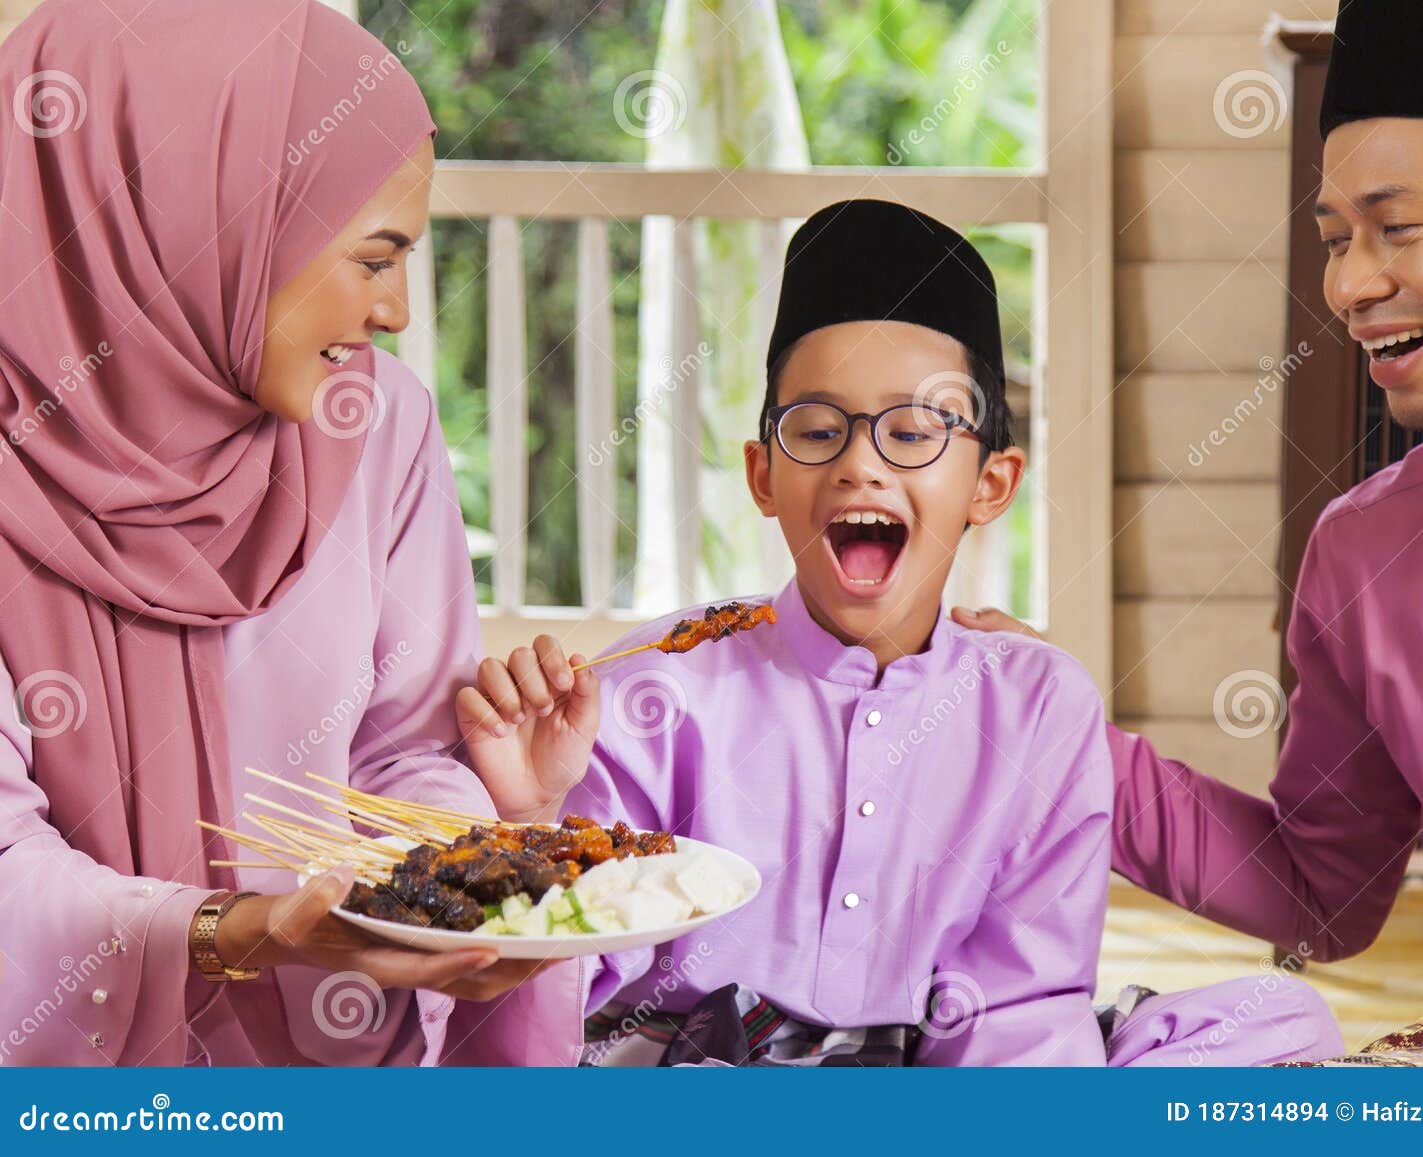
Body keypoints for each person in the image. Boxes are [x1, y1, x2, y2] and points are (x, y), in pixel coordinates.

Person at [456, 199, 1343, 1066]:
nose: (859, 463)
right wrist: (532, 820)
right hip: (700, 1079)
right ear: (764, 475)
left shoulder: (1039, 703)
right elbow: (557, 1011)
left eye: (913, 431)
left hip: (941, 1086)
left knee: (1283, 1016)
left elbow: (1022, 1006)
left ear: (991, 484)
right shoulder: (655, 688)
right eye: (816, 428)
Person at [956, 0, 1423, 1067]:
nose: (1349, 284)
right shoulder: (1366, 548)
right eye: (1335, 239)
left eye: (1396, 228)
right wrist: (1060, 732)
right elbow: (1321, 889)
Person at [0, 0, 579, 1066]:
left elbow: (404, 749)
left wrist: (471, 853)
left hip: (342, 1068)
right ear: (199, 219)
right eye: (374, 256)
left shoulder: (377, 423)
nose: (399, 310)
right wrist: (238, 935)